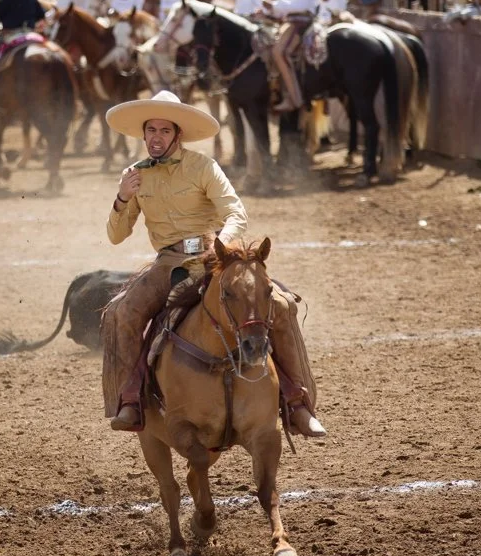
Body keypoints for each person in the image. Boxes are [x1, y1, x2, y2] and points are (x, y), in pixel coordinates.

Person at [102, 90, 327, 438]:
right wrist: (122, 197)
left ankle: (297, 404)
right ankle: (130, 400)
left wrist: (222, 247)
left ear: (177, 134)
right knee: (120, 312)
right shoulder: (135, 176)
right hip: (168, 263)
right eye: (150, 130)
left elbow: (235, 211)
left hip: (213, 257)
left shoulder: (203, 166)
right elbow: (116, 235)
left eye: (163, 130)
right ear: (143, 134)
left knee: (282, 306)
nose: (155, 137)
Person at [261, 0, 322, 112]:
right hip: (295, 18)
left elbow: (300, 6)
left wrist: (274, 4)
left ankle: (295, 98)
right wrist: (275, 1)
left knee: (279, 52)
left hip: (301, 20)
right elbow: (292, 2)